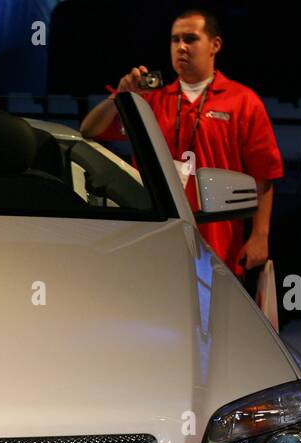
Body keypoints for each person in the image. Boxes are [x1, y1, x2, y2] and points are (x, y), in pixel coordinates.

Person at [81, 8, 282, 280]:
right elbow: (91, 130)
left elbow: (264, 174)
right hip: (157, 230)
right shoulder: (151, 100)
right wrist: (121, 95)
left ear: (215, 45)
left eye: (190, 39)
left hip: (218, 234)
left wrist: (260, 235)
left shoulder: (243, 101)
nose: (182, 47)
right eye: (175, 40)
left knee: (215, 314)